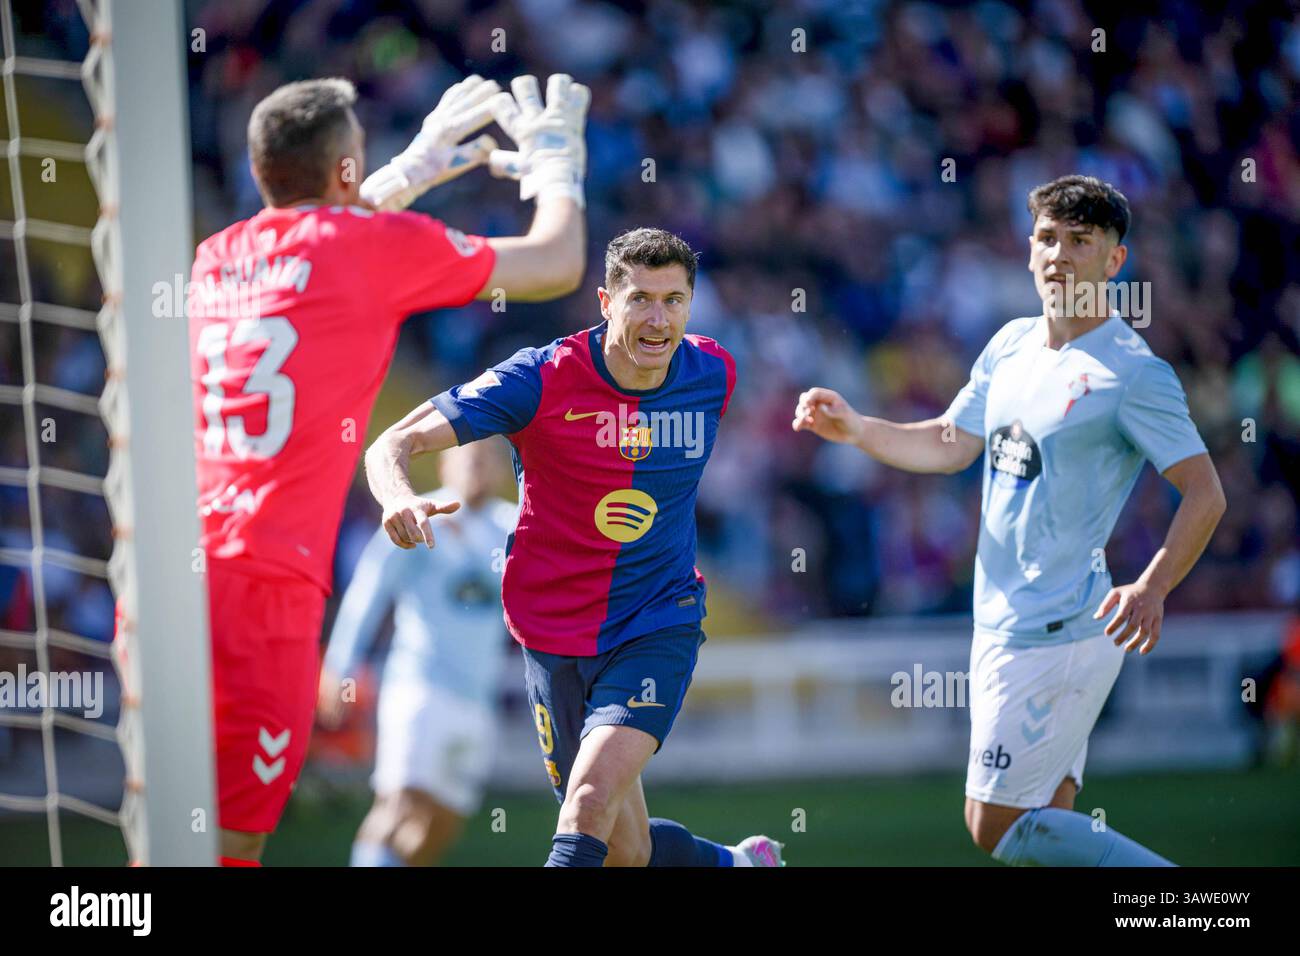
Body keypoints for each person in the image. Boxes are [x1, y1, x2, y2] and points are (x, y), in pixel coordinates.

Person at [185, 71, 588, 865]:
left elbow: (319, 239)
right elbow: (556, 262)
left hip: (173, 573)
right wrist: (555, 164)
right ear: (346, 166)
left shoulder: (214, 257)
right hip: (270, 578)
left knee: (169, 831)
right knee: (228, 847)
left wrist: (405, 171)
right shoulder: (370, 247)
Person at [793, 175, 1226, 866]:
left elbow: (1205, 493)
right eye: (1047, 239)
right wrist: (858, 429)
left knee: (992, 825)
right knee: (1045, 819)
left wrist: (1152, 588)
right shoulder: (1012, 343)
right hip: (1004, 621)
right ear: (1028, 251)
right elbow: (947, 443)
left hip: (1060, 632)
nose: (1059, 256)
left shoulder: (1133, 374)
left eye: (1080, 242)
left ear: (1114, 262)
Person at [364, 227, 782, 866]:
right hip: (552, 633)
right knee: (625, 850)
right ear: (605, 302)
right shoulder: (539, 378)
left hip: (656, 621)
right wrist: (397, 496)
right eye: (640, 298)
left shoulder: (712, 373)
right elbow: (390, 443)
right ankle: (737, 863)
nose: (657, 318)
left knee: (587, 803)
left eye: (674, 301)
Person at [318, 440, 516, 866]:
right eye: (470, 459)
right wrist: (340, 666)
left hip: (478, 699)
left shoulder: (513, 526)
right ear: (445, 466)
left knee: (438, 825)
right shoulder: (417, 519)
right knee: (398, 804)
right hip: (419, 687)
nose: (478, 469)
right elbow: (370, 589)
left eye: (488, 461)